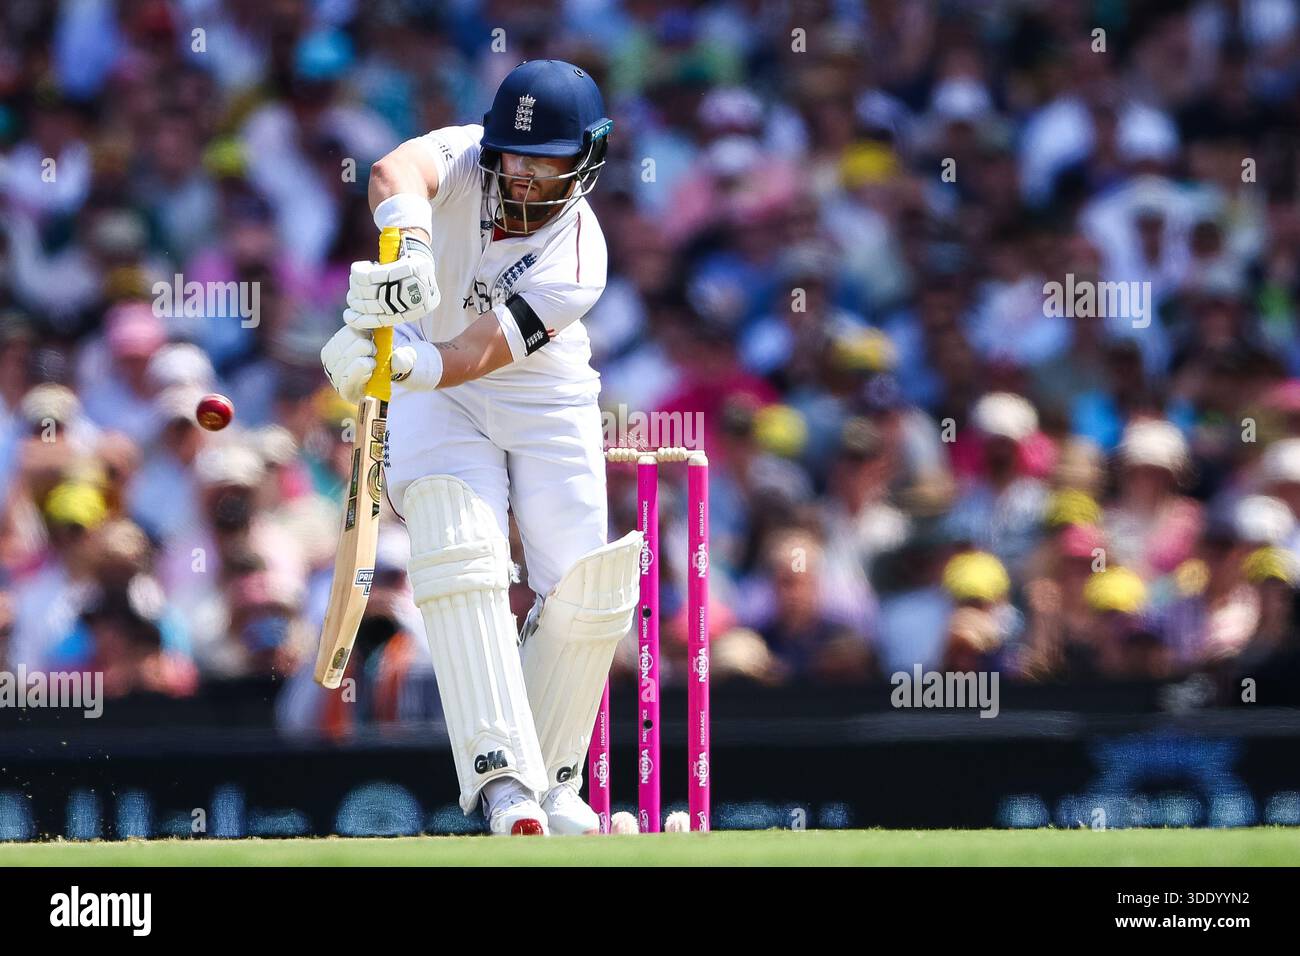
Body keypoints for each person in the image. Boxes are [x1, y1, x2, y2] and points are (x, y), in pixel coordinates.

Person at [319, 61, 639, 835]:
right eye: (515, 153)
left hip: (537, 385)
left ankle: (555, 783)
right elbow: (396, 168)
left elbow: (477, 352)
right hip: (438, 399)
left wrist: (409, 364)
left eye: (547, 158)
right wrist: (413, 246)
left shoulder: (578, 261)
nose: (524, 173)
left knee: (587, 585)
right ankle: (504, 787)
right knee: (460, 550)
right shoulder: (466, 158)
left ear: (587, 158)